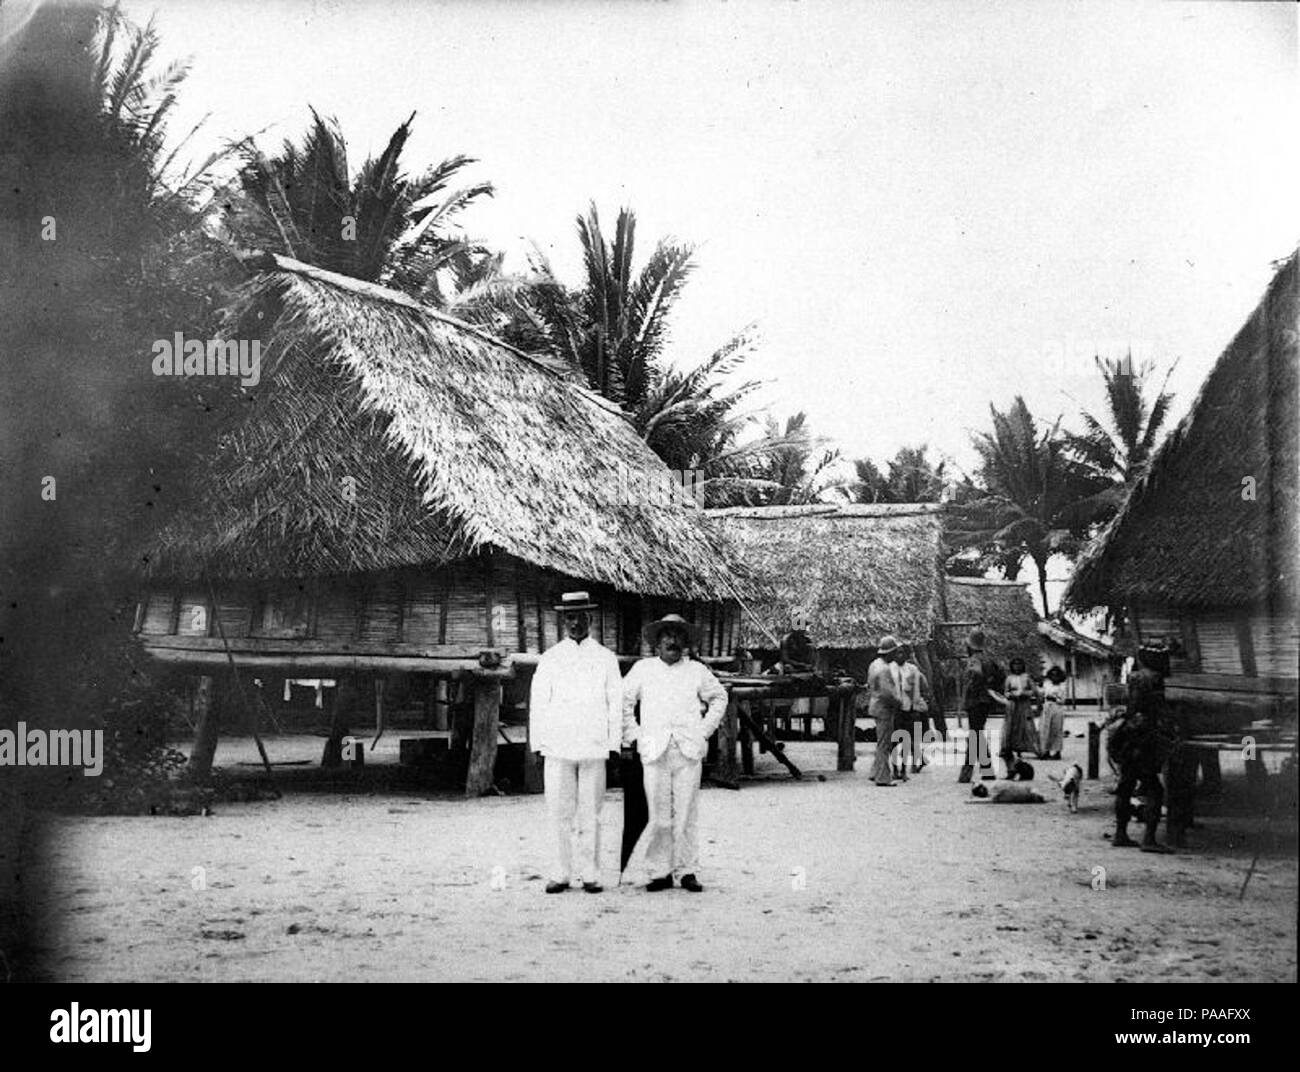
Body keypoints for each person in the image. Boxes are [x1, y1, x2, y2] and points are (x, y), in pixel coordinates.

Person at [621, 614, 729, 892]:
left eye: (678, 635)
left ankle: (687, 870)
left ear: (685, 642)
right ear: (656, 643)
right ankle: (660, 871)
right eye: (666, 635)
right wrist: (635, 736)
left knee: (686, 813)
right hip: (654, 749)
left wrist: (703, 731)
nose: (672, 640)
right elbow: (623, 701)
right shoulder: (643, 669)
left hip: (688, 751)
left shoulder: (697, 671)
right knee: (658, 814)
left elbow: (719, 697)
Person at [529, 591, 624, 893]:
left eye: (581, 617)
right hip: (558, 746)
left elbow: (615, 702)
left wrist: (614, 744)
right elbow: (538, 704)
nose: (575, 623)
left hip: (594, 745)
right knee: (559, 811)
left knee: (591, 811)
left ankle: (591, 874)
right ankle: (560, 873)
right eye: (569, 618)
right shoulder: (551, 658)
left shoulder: (606, 658)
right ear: (563, 621)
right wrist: (537, 745)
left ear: (590, 620)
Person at [1109, 642, 1177, 853]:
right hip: (1144, 738)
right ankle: (1149, 839)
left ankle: (1120, 834)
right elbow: (1156, 709)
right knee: (1155, 789)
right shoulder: (1155, 679)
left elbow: (1132, 706)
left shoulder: (1135, 676)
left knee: (1125, 785)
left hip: (1129, 737)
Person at [959, 630, 1000, 783]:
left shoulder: (974, 660)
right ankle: (986, 769)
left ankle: (967, 771)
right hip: (986, 700)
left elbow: (975, 675)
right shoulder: (989, 659)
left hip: (975, 700)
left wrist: (973, 688)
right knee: (977, 734)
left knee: (975, 734)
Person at [867, 635, 905, 786]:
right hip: (883, 708)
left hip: (876, 705)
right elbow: (887, 693)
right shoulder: (884, 669)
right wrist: (899, 702)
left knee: (881, 742)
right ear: (889, 653)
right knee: (885, 744)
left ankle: (875, 772)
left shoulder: (874, 664)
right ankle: (883, 777)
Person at [999, 656, 1041, 776]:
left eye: (1019, 664)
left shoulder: (1026, 677)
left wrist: (1025, 694)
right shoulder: (1009, 678)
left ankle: (1032, 748)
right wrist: (1010, 695)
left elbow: (1034, 691)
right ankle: (1012, 748)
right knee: (1012, 727)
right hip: (1013, 706)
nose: (1017, 667)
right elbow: (1005, 692)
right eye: (1014, 664)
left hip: (1024, 705)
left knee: (1026, 726)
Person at [898, 645, 932, 773]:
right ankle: (919, 760)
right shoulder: (912, 670)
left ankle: (915, 762)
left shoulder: (912, 671)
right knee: (909, 738)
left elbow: (919, 689)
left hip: (913, 708)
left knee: (910, 737)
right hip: (909, 707)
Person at [1036, 666, 1067, 760]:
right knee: (1045, 729)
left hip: (1057, 707)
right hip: (1046, 707)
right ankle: (1045, 751)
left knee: (1056, 729)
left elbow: (1062, 700)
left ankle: (1057, 752)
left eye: (1057, 675)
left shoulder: (1062, 686)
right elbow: (1041, 693)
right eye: (1052, 675)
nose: (1054, 677)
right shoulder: (1047, 685)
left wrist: (1055, 698)